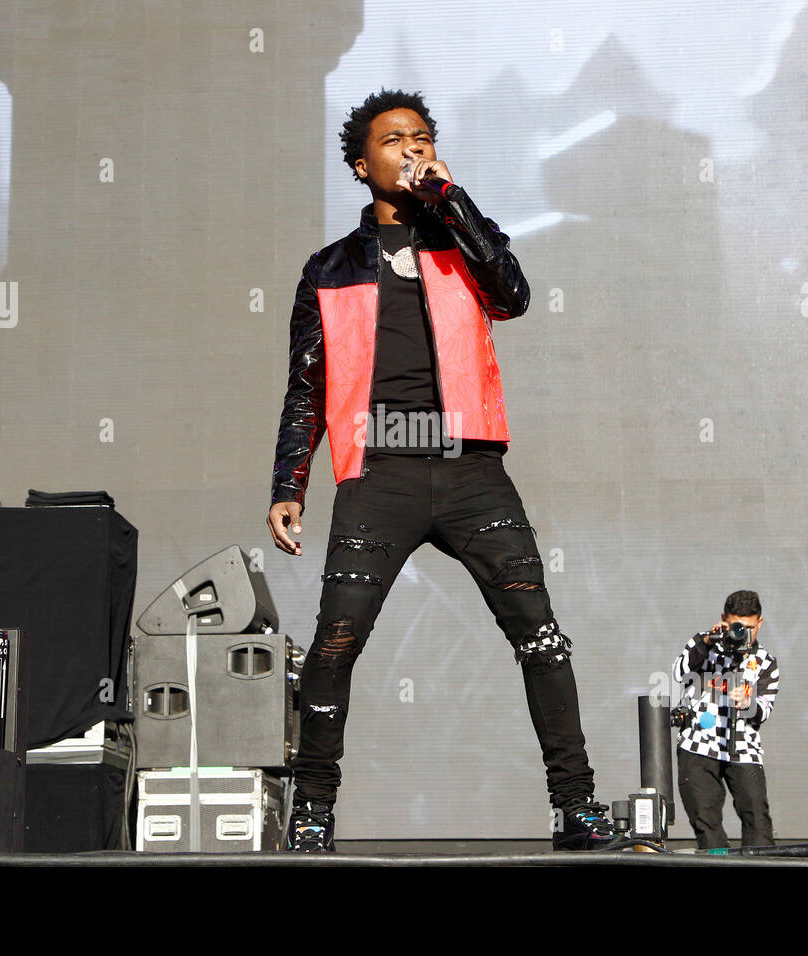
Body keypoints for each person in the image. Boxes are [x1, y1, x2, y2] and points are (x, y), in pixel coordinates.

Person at [266, 89, 614, 852]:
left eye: (421, 137)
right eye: (394, 141)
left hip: (469, 468)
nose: (411, 148)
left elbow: (513, 295)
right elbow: (308, 386)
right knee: (334, 645)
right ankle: (315, 810)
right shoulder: (328, 269)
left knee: (541, 638)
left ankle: (576, 807)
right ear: (362, 165)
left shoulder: (461, 240)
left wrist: (450, 198)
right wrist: (289, 483)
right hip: (380, 470)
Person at [672, 589, 780, 849]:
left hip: (743, 747)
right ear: (724, 619)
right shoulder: (704, 643)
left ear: (760, 622)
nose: (743, 634)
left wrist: (748, 703)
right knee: (705, 819)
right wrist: (708, 641)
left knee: (756, 818)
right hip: (698, 744)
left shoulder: (765, 661)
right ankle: (718, 864)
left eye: (750, 628)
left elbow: (765, 709)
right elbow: (678, 672)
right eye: (736, 627)